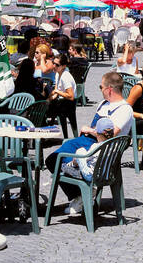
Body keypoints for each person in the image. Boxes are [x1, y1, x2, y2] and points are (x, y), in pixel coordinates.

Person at [51, 72, 135, 218]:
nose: (100, 90)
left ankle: (85, 192)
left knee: (58, 161)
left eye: (100, 87)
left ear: (109, 89)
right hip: (87, 141)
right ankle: (80, 194)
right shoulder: (104, 104)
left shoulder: (124, 109)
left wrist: (88, 130)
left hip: (100, 148)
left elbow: (109, 134)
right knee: (52, 159)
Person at [47, 51, 79, 136]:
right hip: (62, 101)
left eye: (57, 65)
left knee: (45, 111)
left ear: (64, 66)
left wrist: (57, 92)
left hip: (69, 103)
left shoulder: (65, 77)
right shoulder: (58, 74)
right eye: (53, 63)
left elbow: (71, 96)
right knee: (44, 105)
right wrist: (49, 99)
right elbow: (56, 90)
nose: (54, 66)